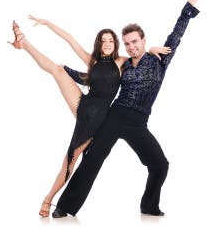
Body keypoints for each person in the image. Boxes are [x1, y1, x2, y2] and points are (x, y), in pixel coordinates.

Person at [52, 0, 205, 218]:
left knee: (160, 165)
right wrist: (66, 72)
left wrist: (188, 9)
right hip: (115, 116)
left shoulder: (159, 59)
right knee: (92, 158)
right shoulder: (123, 65)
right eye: (126, 43)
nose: (131, 47)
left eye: (135, 42)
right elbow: (96, 76)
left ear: (144, 40)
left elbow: (176, 35)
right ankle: (65, 207)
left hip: (138, 123)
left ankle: (149, 206)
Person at [10, 17, 169, 217]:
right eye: (104, 41)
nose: (108, 44)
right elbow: (71, 40)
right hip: (84, 106)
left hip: (101, 118)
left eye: (111, 41)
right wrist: (48, 23)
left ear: (117, 43)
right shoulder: (91, 61)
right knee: (57, 70)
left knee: (71, 161)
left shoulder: (122, 62)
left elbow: (139, 55)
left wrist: (152, 48)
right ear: (99, 43)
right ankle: (24, 43)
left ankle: (49, 200)